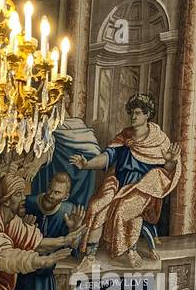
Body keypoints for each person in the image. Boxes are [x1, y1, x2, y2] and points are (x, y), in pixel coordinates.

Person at [71, 93, 181, 269]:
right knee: (97, 207)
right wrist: (86, 164)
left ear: (147, 114)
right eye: (132, 113)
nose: (134, 116)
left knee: (124, 208)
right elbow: (108, 157)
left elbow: (167, 170)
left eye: (138, 113)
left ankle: (131, 250)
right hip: (118, 184)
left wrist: (171, 161)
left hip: (143, 188)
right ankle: (89, 257)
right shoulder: (124, 137)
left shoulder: (158, 140)